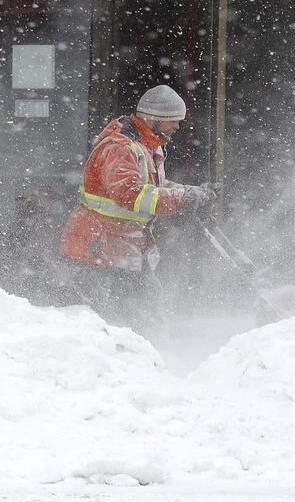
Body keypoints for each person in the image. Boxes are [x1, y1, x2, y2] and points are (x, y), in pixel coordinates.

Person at [59, 84, 217, 329]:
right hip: (97, 247)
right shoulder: (121, 147)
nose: (177, 126)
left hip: (122, 244)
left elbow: (154, 185)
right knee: (110, 319)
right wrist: (180, 199)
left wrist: (189, 192)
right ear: (154, 119)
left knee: (145, 307)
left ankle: (148, 356)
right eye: (173, 121)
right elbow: (131, 194)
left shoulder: (146, 145)